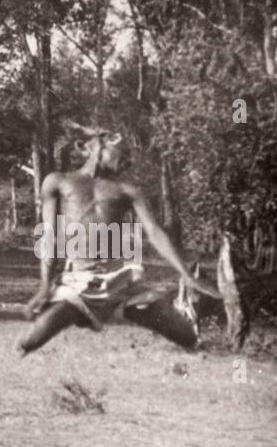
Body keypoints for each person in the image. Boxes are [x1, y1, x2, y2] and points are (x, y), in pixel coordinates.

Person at [19, 124, 221, 355]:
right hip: (78, 278)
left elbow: (154, 232)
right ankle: (70, 311)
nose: (128, 162)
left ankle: (199, 333)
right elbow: (49, 235)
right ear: (101, 147)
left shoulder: (127, 190)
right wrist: (45, 286)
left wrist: (185, 273)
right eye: (124, 154)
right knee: (31, 340)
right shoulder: (58, 182)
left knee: (187, 337)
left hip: (121, 279)